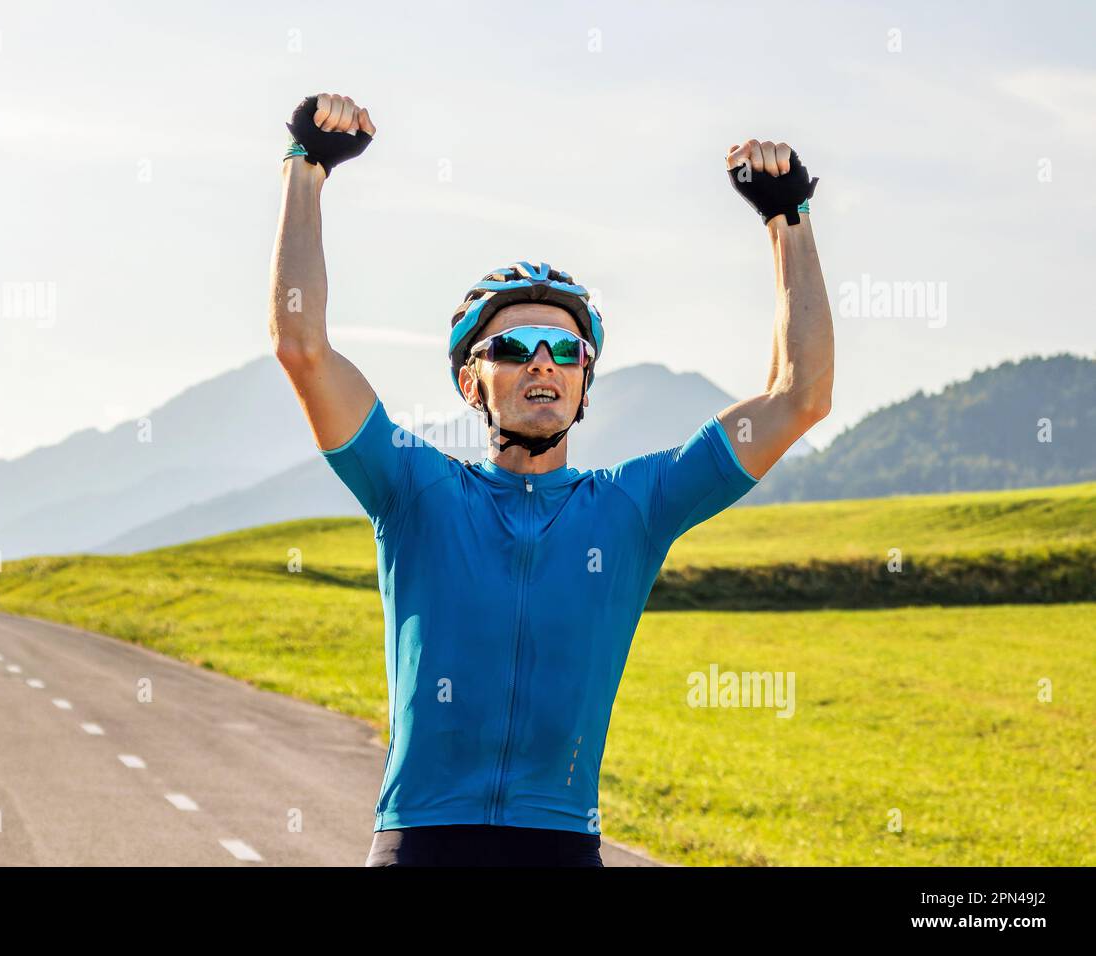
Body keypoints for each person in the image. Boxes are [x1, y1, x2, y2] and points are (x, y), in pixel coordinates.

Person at [269, 93, 833, 867]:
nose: (543, 362)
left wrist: (788, 218)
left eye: (566, 353)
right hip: (423, 842)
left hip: (562, 843)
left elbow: (801, 395)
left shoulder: (636, 506)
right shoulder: (413, 489)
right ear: (472, 384)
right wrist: (308, 168)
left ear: (585, 387)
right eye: (516, 347)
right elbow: (302, 347)